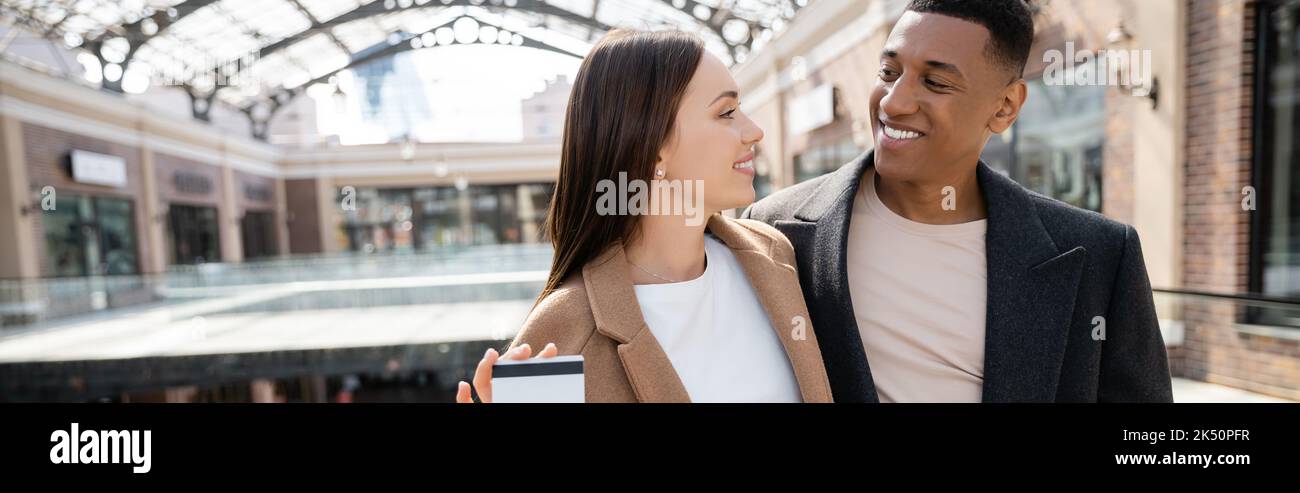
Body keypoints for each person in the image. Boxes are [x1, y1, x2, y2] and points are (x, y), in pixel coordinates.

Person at [455, 29, 833, 403]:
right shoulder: (562, 334)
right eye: (727, 112)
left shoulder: (773, 256)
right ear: (653, 150)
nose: (754, 131)